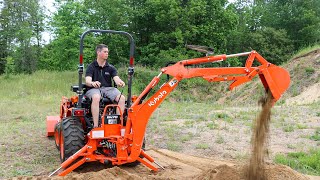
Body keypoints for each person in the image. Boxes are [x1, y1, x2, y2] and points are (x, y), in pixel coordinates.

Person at [85, 44, 126, 128]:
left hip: (108, 89)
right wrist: (93, 83)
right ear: (98, 52)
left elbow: (116, 78)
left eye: (107, 52)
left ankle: (118, 124)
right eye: (105, 52)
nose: (107, 53)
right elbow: (87, 81)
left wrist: (120, 82)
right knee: (96, 97)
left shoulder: (110, 67)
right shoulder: (91, 67)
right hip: (94, 89)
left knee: (122, 98)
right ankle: (96, 126)